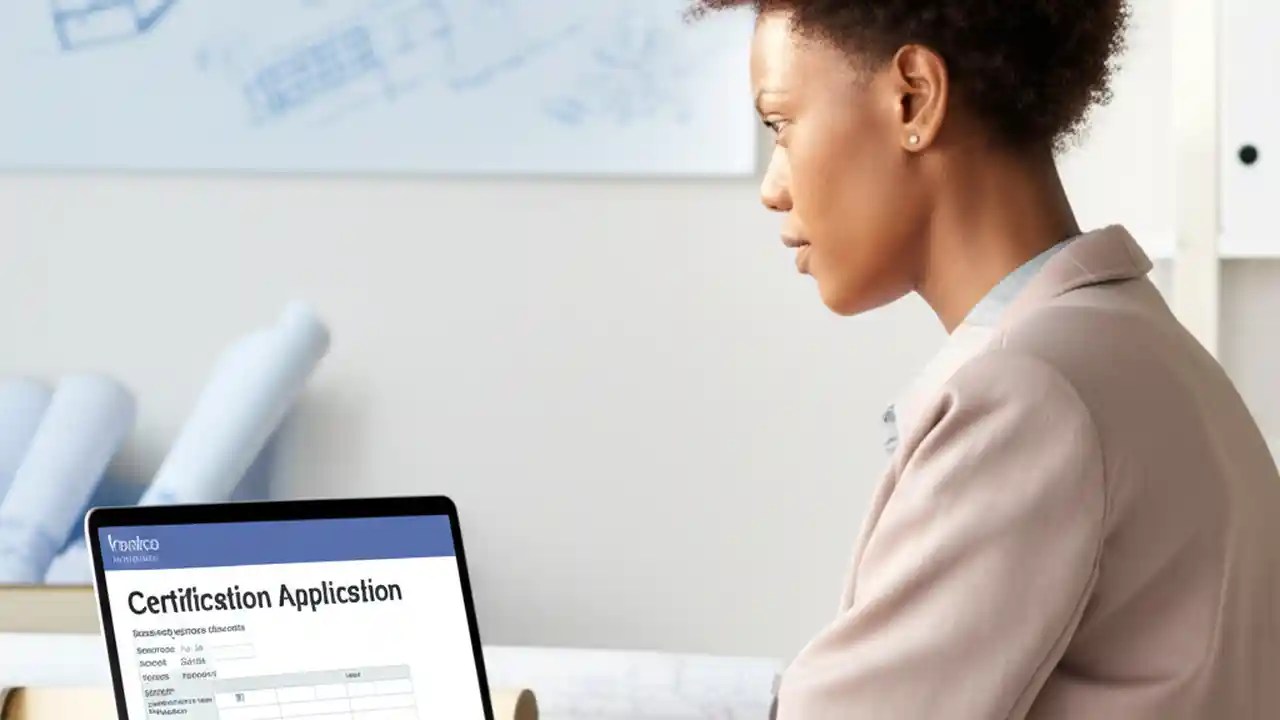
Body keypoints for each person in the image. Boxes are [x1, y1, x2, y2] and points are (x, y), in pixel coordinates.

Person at [689, 1, 1280, 717]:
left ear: (915, 97)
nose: (772, 188)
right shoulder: (1133, 345)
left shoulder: (1028, 391)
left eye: (781, 126)